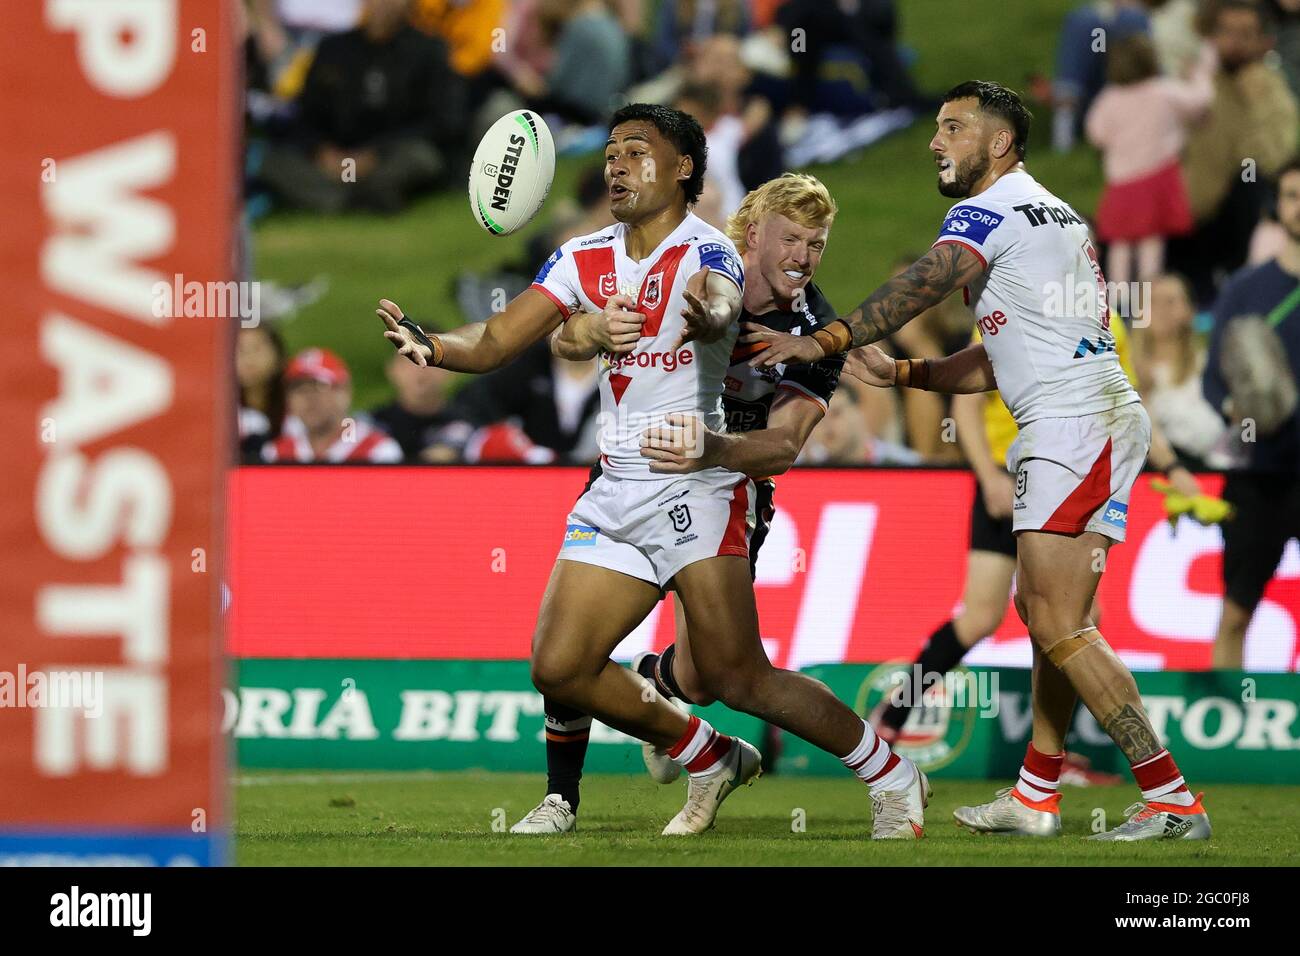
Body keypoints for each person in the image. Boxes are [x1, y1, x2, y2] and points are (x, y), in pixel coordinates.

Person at [379, 108, 926, 838]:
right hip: (617, 484)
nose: (617, 164)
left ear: (684, 171)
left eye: (638, 152)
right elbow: (499, 338)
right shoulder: (583, 256)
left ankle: (890, 772)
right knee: (559, 666)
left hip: (699, 484)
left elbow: (719, 297)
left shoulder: (711, 253)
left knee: (735, 676)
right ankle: (706, 754)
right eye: (611, 152)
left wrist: (708, 319)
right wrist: (436, 345)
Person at [751, 80, 1211, 841]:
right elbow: (1001, 360)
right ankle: (1036, 793)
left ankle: (1172, 800)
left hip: (1073, 425)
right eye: (935, 126)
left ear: (998, 143)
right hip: (1081, 418)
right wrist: (904, 374)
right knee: (1045, 617)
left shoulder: (985, 212)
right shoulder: (1053, 214)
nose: (936, 141)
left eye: (953, 128)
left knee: (1063, 623)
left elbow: (923, 282)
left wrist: (827, 339)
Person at [511, 173, 863, 832]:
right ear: (753, 233)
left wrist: (715, 448)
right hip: (629, 472)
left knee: (712, 678)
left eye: (817, 243)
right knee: (563, 654)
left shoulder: (813, 328)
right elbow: (566, 339)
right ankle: (564, 795)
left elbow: (782, 444)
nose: (805, 256)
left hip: (722, 486)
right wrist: (586, 329)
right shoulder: (686, 259)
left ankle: (664, 686)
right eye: (793, 238)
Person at [871, 308, 1201, 758]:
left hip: (1065, 478)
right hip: (1008, 481)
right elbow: (966, 404)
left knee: (1072, 620)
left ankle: (1057, 756)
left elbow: (1127, 400)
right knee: (993, 617)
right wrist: (988, 476)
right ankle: (894, 716)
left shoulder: (1104, 322)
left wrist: (1175, 467)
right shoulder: (1008, 308)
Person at [1204, 156, 1300, 669]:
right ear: (1276, 205)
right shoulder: (1245, 290)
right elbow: (1212, 380)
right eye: (1291, 196)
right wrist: (1238, 410)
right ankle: (1226, 739)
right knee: (1235, 613)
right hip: (1258, 475)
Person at [1170, 0, 1299, 305]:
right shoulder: (1196, 86)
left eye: (1245, 34)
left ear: (1262, 41)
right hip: (1193, 208)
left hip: (1246, 212)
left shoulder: (1270, 87)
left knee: (1249, 179)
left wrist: (1254, 104)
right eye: (1226, 32)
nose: (1234, 43)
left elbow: (1275, 157)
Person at [1085, 35, 1214, 284]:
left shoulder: (1109, 98)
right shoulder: (1163, 91)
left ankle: (1119, 300)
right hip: (1158, 178)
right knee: (1151, 240)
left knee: (1121, 243)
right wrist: (1201, 73)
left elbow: (1095, 133)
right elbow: (1200, 100)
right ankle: (1149, 297)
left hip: (1121, 182)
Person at [1131, 273, 1229, 469]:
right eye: (1152, 301)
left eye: (1170, 301)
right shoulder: (1123, 368)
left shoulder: (1208, 364)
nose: (1160, 309)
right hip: (1147, 476)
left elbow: (1218, 431)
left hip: (1205, 470)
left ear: (1190, 310)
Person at [262, 348, 404, 463]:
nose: (308, 398)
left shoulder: (378, 452)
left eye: (319, 387)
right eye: (298, 389)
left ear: (344, 391)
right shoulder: (275, 453)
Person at [369, 352, 458, 461]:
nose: (420, 370)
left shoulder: (471, 427)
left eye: (430, 362)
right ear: (392, 369)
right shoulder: (369, 428)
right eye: (410, 362)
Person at [237, 324, 287, 460]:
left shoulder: (296, 406)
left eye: (257, 349)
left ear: (278, 356)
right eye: (240, 350)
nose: (249, 358)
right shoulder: (221, 412)